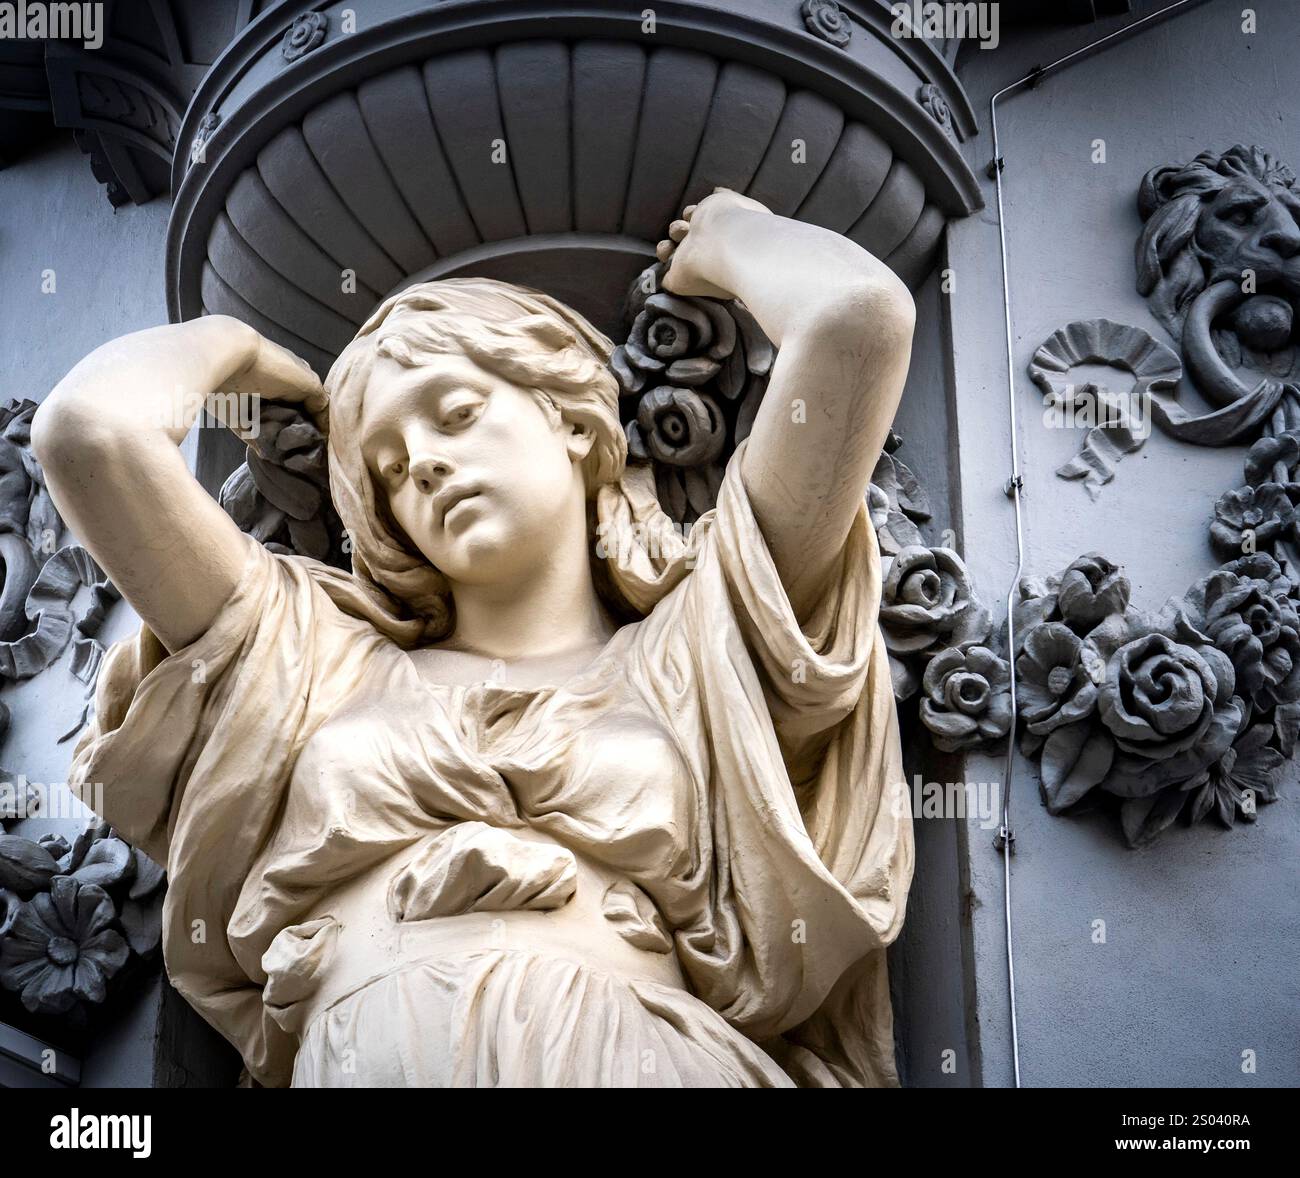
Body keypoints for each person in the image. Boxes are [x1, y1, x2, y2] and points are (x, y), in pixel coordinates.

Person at [32, 190, 916, 1087]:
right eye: (387, 465)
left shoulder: (703, 644)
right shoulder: (311, 661)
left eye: (453, 413)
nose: (422, 461)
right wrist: (238, 347)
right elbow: (91, 433)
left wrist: (727, 239)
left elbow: (857, 320)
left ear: (572, 420)